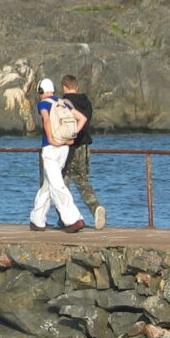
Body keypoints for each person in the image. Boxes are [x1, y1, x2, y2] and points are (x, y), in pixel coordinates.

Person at [29, 77, 87, 233]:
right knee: (48, 185)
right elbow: (82, 118)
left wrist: (51, 140)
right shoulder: (64, 103)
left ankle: (74, 219)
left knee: (56, 185)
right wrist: (71, 136)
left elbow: (46, 121)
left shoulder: (44, 103)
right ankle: (37, 219)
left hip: (51, 148)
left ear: (41, 91)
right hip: (64, 148)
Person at [61, 74, 106, 229]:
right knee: (82, 181)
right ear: (77, 87)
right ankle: (96, 208)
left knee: (62, 183)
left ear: (64, 88)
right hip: (85, 145)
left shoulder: (64, 103)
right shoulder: (86, 102)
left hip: (68, 146)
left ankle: (64, 218)